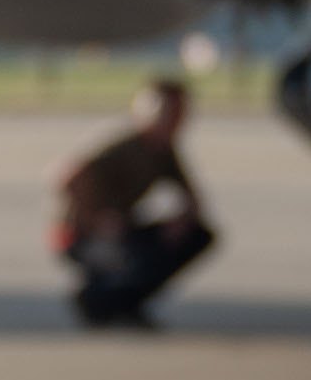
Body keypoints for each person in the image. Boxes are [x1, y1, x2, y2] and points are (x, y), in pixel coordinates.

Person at [55, 75, 215, 328]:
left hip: (118, 230)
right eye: (173, 112)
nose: (179, 121)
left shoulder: (162, 151)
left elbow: (191, 197)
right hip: (80, 235)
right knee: (143, 257)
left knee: (193, 237)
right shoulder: (126, 146)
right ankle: (95, 300)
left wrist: (181, 221)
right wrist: (98, 220)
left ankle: (125, 304)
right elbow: (68, 176)